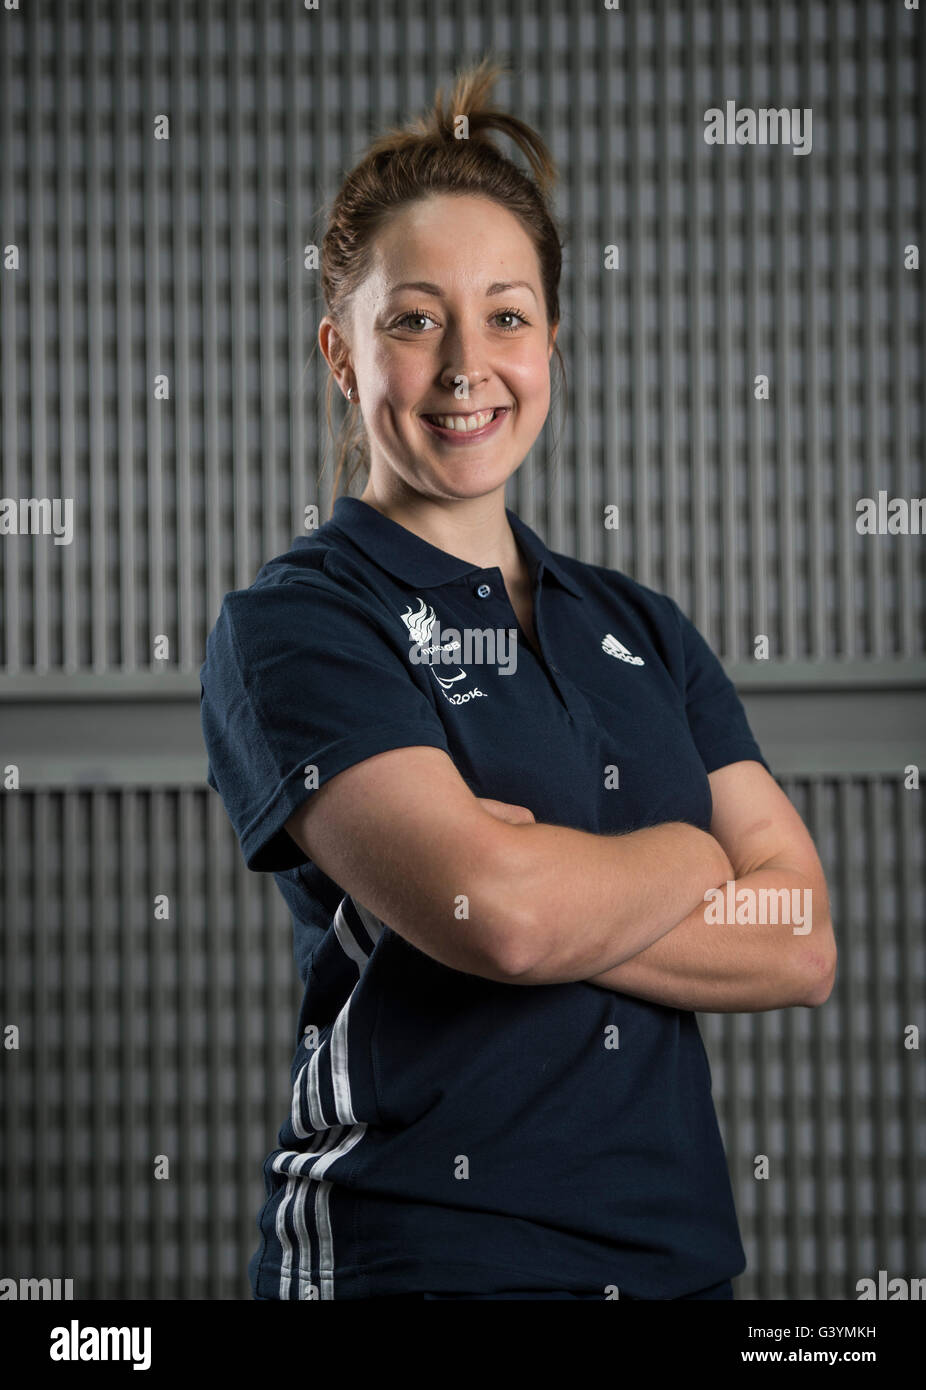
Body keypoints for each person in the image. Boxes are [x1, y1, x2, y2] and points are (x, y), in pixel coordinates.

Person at [199, 57, 836, 1302]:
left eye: (504, 314)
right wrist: (696, 859)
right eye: (412, 316)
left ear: (550, 338)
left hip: (674, 1266)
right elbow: (501, 915)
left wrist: (542, 880)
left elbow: (800, 936)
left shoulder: (639, 624)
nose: (462, 365)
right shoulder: (297, 622)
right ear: (341, 350)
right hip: (422, 1262)